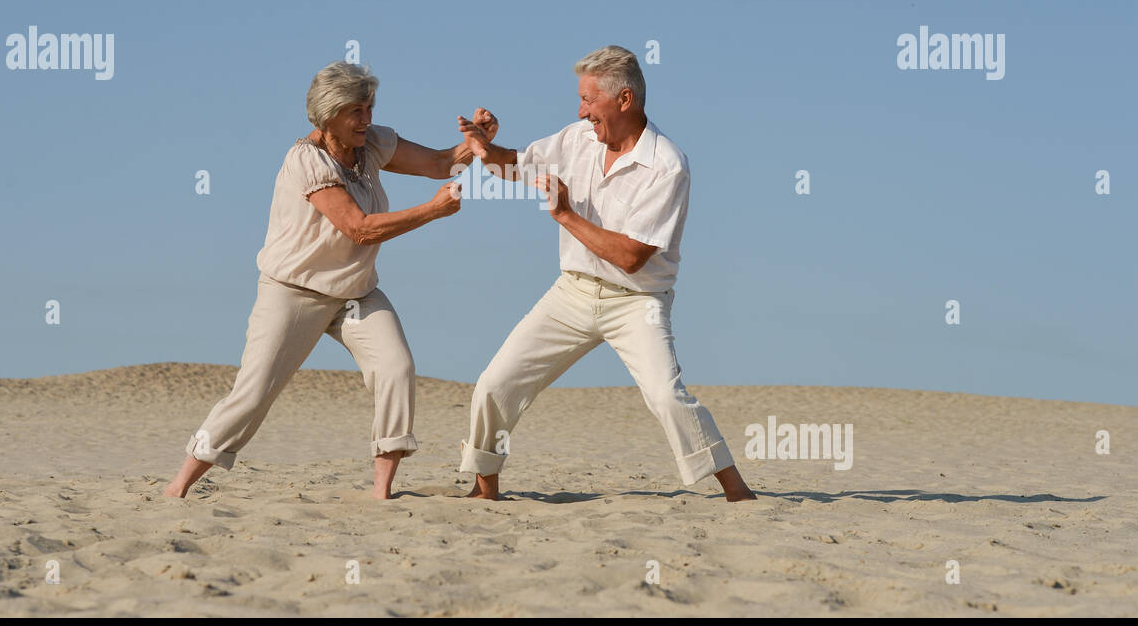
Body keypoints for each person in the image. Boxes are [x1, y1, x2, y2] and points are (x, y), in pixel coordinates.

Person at [164, 61, 497, 499]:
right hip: (293, 292)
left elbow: (439, 164)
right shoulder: (306, 160)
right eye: (355, 111)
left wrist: (476, 144)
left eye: (369, 107)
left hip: (356, 294)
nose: (366, 119)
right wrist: (430, 212)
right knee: (252, 395)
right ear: (327, 114)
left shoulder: (373, 144)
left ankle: (381, 492)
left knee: (396, 369)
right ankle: (179, 486)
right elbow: (359, 227)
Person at [454, 45, 756, 501]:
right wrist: (484, 146)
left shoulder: (668, 165)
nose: (580, 110)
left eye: (589, 100)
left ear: (625, 100)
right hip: (572, 292)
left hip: (637, 302)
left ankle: (737, 493)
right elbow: (514, 166)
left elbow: (633, 256)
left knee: (667, 397)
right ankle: (485, 488)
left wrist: (565, 215)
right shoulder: (577, 138)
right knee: (496, 383)